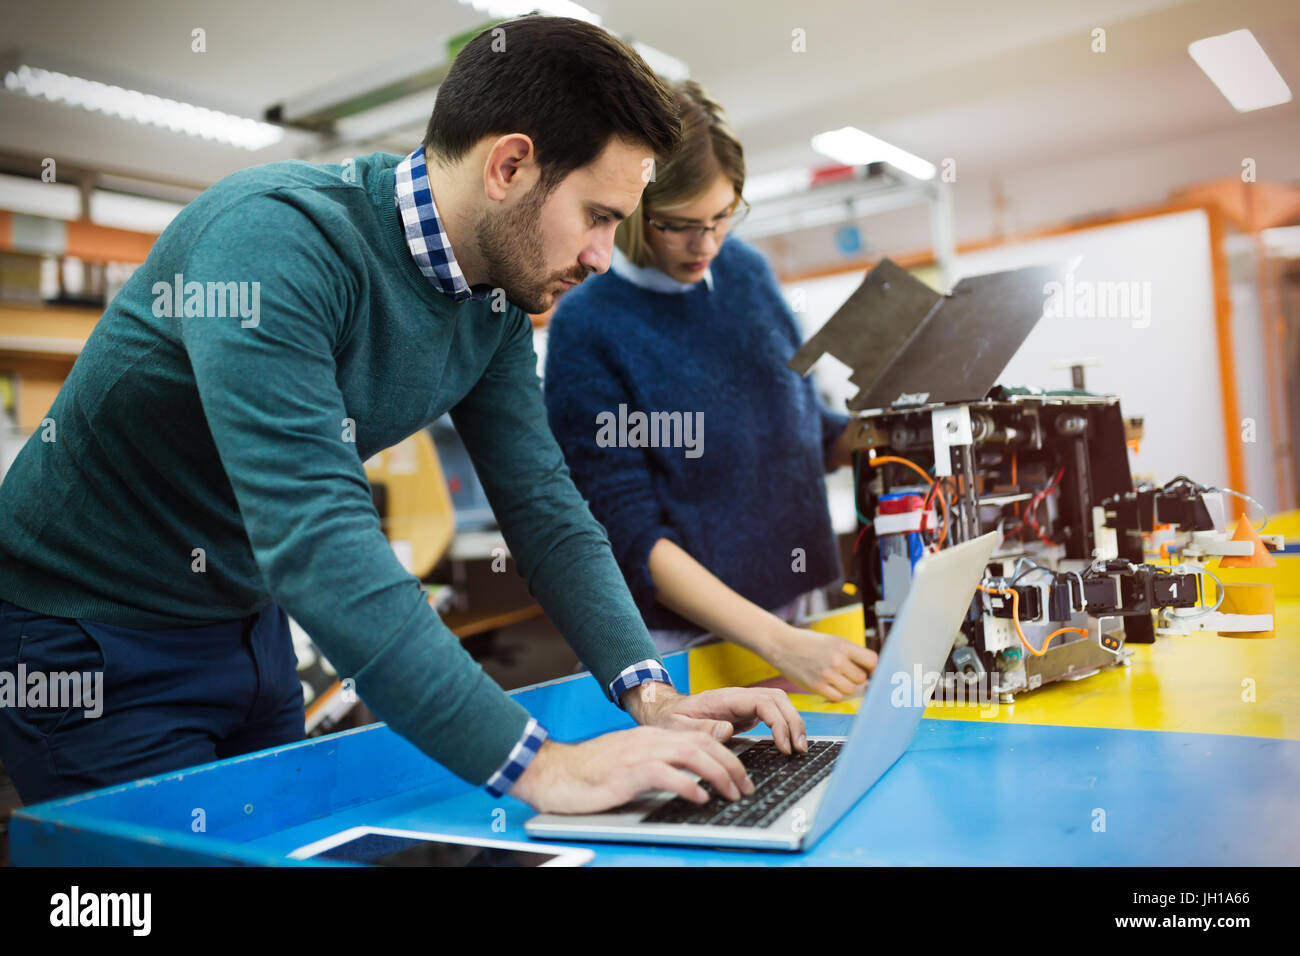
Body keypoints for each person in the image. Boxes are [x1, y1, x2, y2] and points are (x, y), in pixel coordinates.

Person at [0, 17, 806, 811]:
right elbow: (316, 533)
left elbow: (546, 508)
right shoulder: (273, 239)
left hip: (250, 627)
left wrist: (650, 693)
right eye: (597, 215)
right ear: (510, 166)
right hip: (87, 635)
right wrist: (544, 768)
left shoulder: (492, 305)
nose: (602, 256)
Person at [544, 80, 877, 702]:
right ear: (634, 207)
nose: (707, 244)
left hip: (802, 614)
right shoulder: (591, 326)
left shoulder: (745, 273)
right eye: (680, 226)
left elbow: (809, 430)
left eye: (723, 216)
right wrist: (779, 644)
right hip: (689, 646)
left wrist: (896, 412)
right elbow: (631, 536)